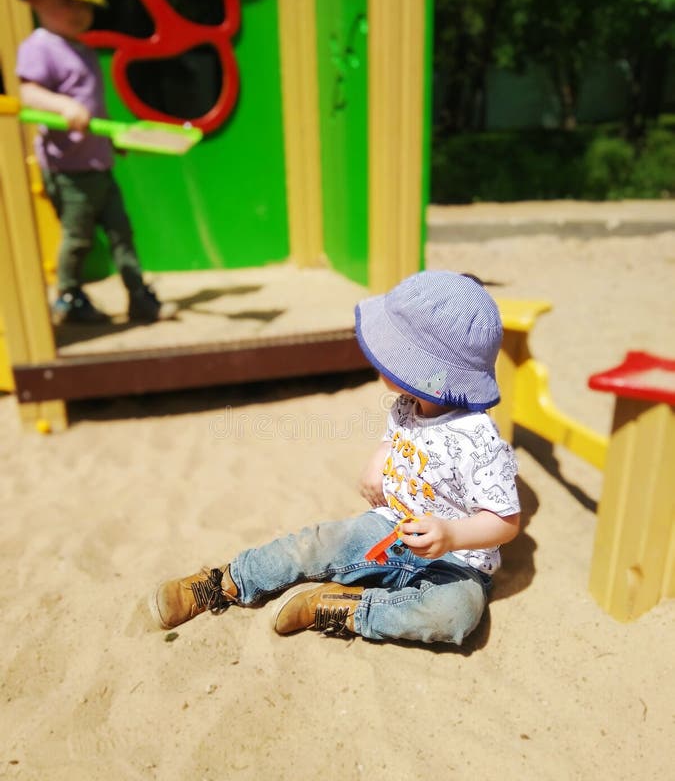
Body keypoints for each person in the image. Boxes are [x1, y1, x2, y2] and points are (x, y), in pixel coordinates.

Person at [149, 271, 521, 646]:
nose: (381, 361)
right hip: (390, 528)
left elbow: (505, 521)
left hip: (457, 564)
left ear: (425, 372)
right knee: (319, 543)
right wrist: (379, 462)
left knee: (457, 613)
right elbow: (396, 438)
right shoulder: (409, 404)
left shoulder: (479, 439)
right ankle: (226, 582)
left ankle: (345, 608)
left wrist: (453, 534)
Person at [13, 0, 177, 325]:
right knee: (78, 238)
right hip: (69, 169)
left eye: (85, 4)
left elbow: (93, 108)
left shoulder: (82, 49)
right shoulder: (40, 47)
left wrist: (108, 141)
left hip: (99, 163)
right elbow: (25, 91)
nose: (80, 13)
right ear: (36, 0)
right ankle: (69, 296)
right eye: (68, 2)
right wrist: (62, 105)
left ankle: (139, 295)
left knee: (122, 232)